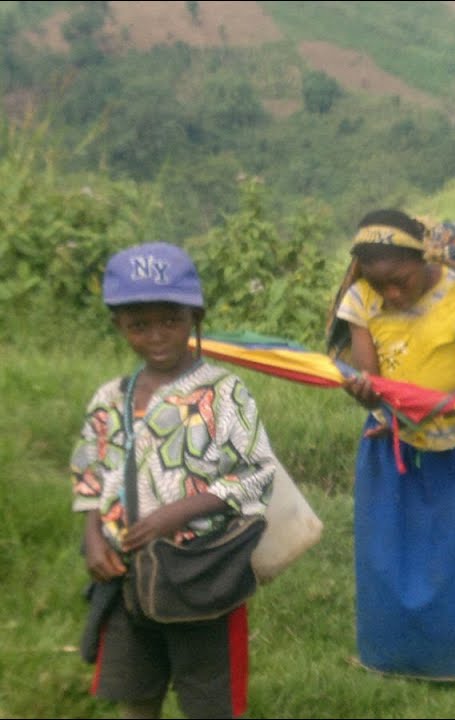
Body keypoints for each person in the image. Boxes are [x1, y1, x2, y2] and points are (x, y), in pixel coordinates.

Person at [71, 242, 277, 719]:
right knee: (136, 692)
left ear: (195, 318)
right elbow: (90, 472)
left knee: (209, 697)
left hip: (202, 572)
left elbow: (256, 472)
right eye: (139, 325)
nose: (157, 336)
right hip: (126, 576)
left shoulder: (224, 393)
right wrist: (92, 538)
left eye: (171, 320)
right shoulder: (110, 398)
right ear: (118, 325)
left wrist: (175, 513)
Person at [333, 209, 455, 711]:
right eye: (379, 285)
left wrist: (430, 408)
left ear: (425, 257)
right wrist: (363, 393)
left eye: (400, 281)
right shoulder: (361, 299)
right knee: (389, 554)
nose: (391, 295)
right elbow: (371, 384)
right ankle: (401, 654)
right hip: (388, 440)